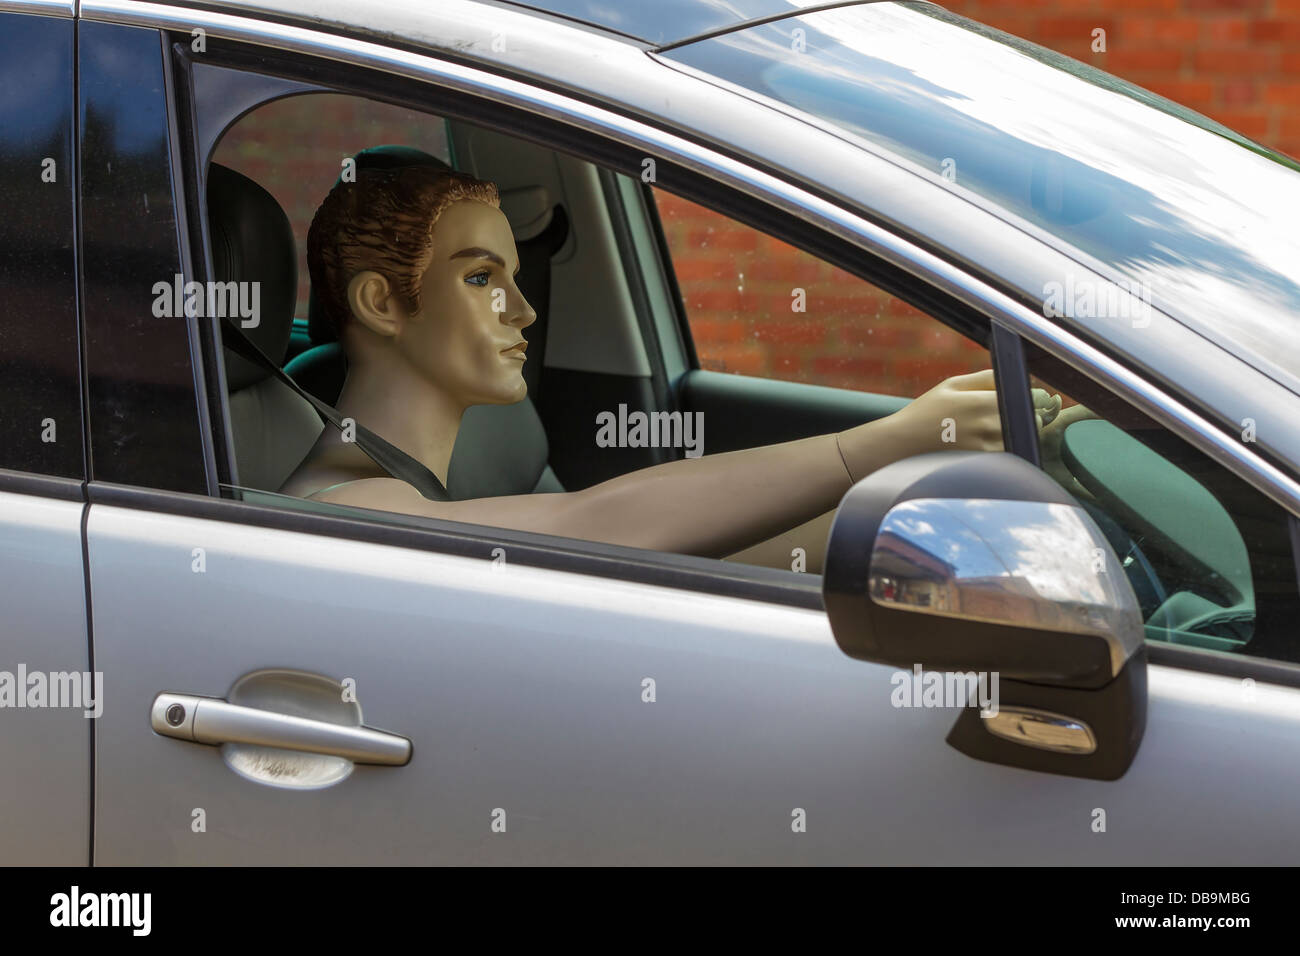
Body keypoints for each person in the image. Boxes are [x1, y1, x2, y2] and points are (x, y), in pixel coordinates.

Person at [280, 164, 1037, 564]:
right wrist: (881, 442)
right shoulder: (339, 512)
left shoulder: (437, 463)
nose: (525, 309)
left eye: (513, 276)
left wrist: (890, 522)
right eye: (481, 280)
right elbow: (589, 524)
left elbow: (678, 562)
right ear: (382, 303)